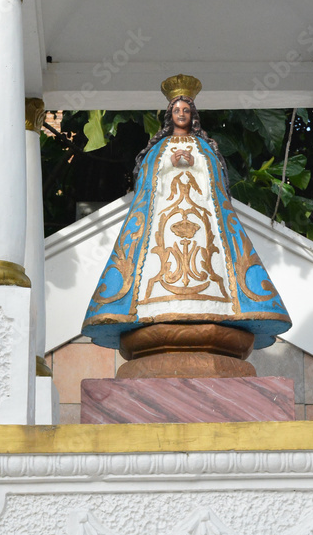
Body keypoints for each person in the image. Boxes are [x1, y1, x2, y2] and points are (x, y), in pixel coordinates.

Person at [82, 75, 291, 351]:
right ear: (170, 115)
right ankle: (150, 304)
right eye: (177, 110)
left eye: (186, 110)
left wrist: (195, 165)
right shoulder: (158, 148)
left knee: (209, 261)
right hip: (163, 221)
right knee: (159, 261)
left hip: (202, 221)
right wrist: (171, 162)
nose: (181, 114)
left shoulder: (205, 147)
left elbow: (216, 182)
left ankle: (214, 302)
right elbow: (146, 181)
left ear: (193, 116)